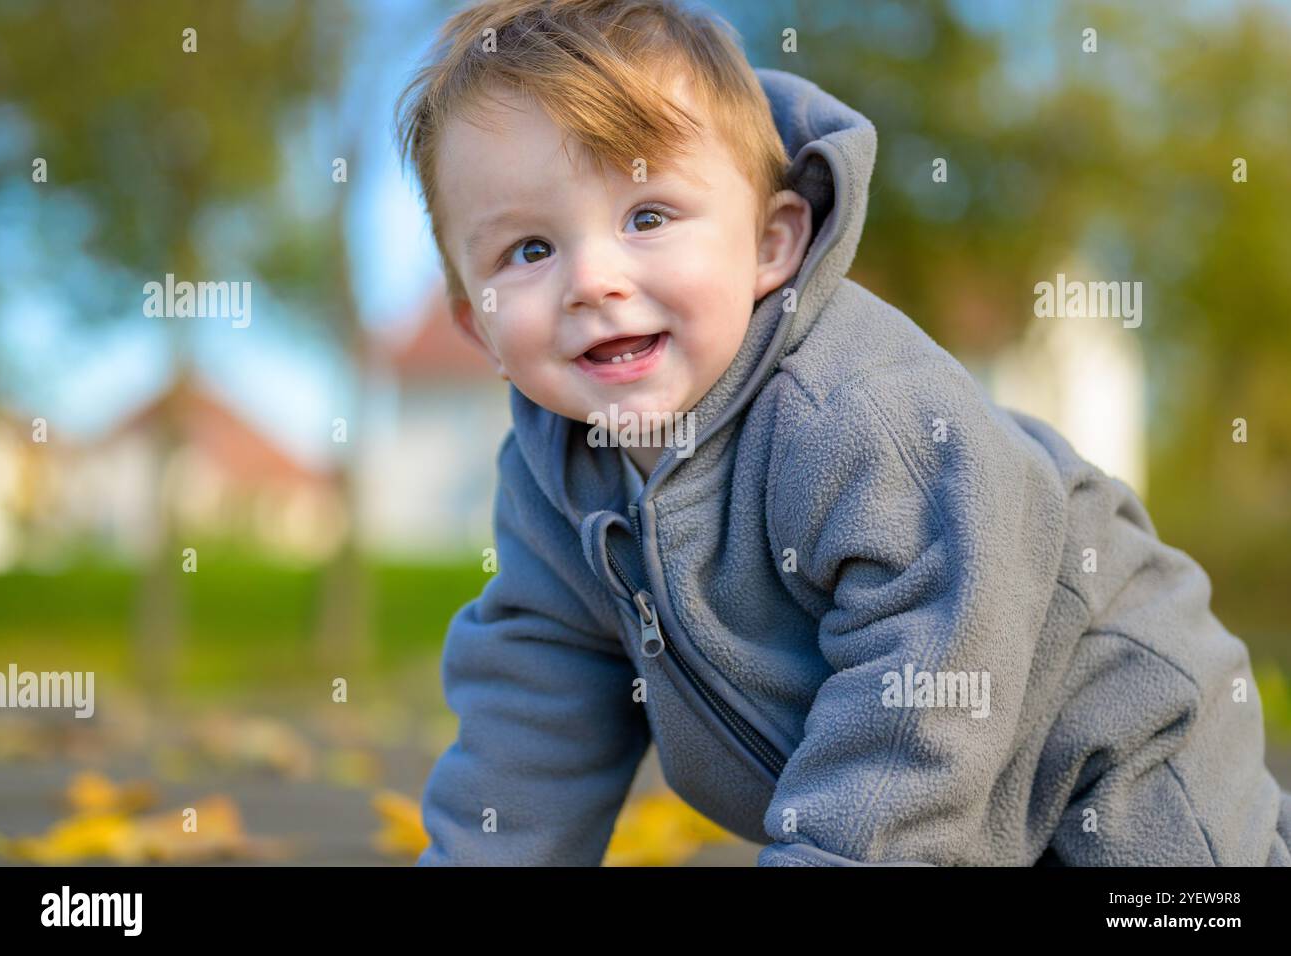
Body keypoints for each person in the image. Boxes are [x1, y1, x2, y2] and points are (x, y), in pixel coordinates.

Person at [394, 0, 1291, 865]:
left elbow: (931, 676)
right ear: (478, 325)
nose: (592, 279)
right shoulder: (557, 483)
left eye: (648, 217)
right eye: (531, 250)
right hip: (948, 818)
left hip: (1112, 737)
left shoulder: (852, 412)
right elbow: (536, 709)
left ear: (771, 245)